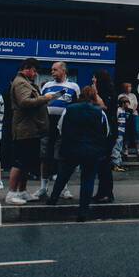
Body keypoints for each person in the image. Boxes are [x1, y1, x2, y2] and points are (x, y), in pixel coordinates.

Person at [48, 85, 109, 220]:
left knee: (63, 176)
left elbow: (60, 128)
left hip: (71, 148)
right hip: (92, 151)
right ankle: (83, 212)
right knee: (88, 180)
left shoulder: (69, 110)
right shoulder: (100, 112)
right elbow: (106, 131)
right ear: (94, 97)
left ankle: (53, 200)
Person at [6, 58, 58, 205]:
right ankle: (11, 193)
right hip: (24, 129)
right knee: (20, 162)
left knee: (27, 163)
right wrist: (45, 98)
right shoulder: (20, 82)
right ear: (27, 68)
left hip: (31, 129)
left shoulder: (26, 82)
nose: (35, 74)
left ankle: (22, 191)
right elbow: (24, 102)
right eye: (34, 71)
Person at [38, 62, 82, 199]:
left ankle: (64, 188)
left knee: (62, 158)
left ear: (63, 71)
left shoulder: (74, 87)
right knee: (45, 157)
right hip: (47, 125)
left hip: (64, 127)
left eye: (55, 70)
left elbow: (77, 107)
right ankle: (43, 188)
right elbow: (40, 103)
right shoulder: (46, 86)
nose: (52, 72)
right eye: (51, 70)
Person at [91, 69, 120, 204]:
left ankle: (108, 193)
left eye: (95, 78)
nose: (93, 80)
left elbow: (103, 106)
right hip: (102, 131)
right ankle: (102, 192)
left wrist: (95, 92)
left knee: (104, 163)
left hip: (108, 132)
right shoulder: (107, 92)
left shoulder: (108, 94)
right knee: (101, 164)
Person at [119, 81, 139, 159]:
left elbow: (135, 104)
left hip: (134, 115)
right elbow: (122, 105)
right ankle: (126, 149)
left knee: (136, 130)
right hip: (125, 115)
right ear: (125, 88)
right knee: (126, 131)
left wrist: (132, 111)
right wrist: (128, 111)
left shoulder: (133, 95)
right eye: (129, 87)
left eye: (131, 87)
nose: (130, 88)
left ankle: (138, 149)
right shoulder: (121, 95)